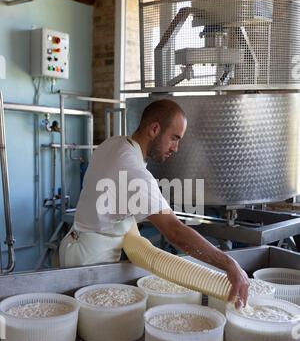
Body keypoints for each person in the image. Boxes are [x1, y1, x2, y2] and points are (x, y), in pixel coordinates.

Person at [59, 99, 249, 307]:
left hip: (74, 246)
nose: (176, 148)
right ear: (155, 129)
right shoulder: (136, 173)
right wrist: (230, 265)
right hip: (92, 264)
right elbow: (176, 233)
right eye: (174, 138)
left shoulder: (113, 144)